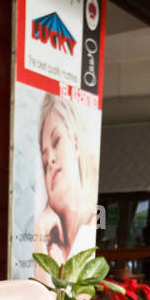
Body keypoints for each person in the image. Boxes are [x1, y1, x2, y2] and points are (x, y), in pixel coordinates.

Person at [34, 94, 98, 268]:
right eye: (45, 161)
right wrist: (39, 234)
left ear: (76, 143)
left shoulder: (91, 228)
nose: (51, 160)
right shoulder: (51, 242)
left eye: (56, 142)